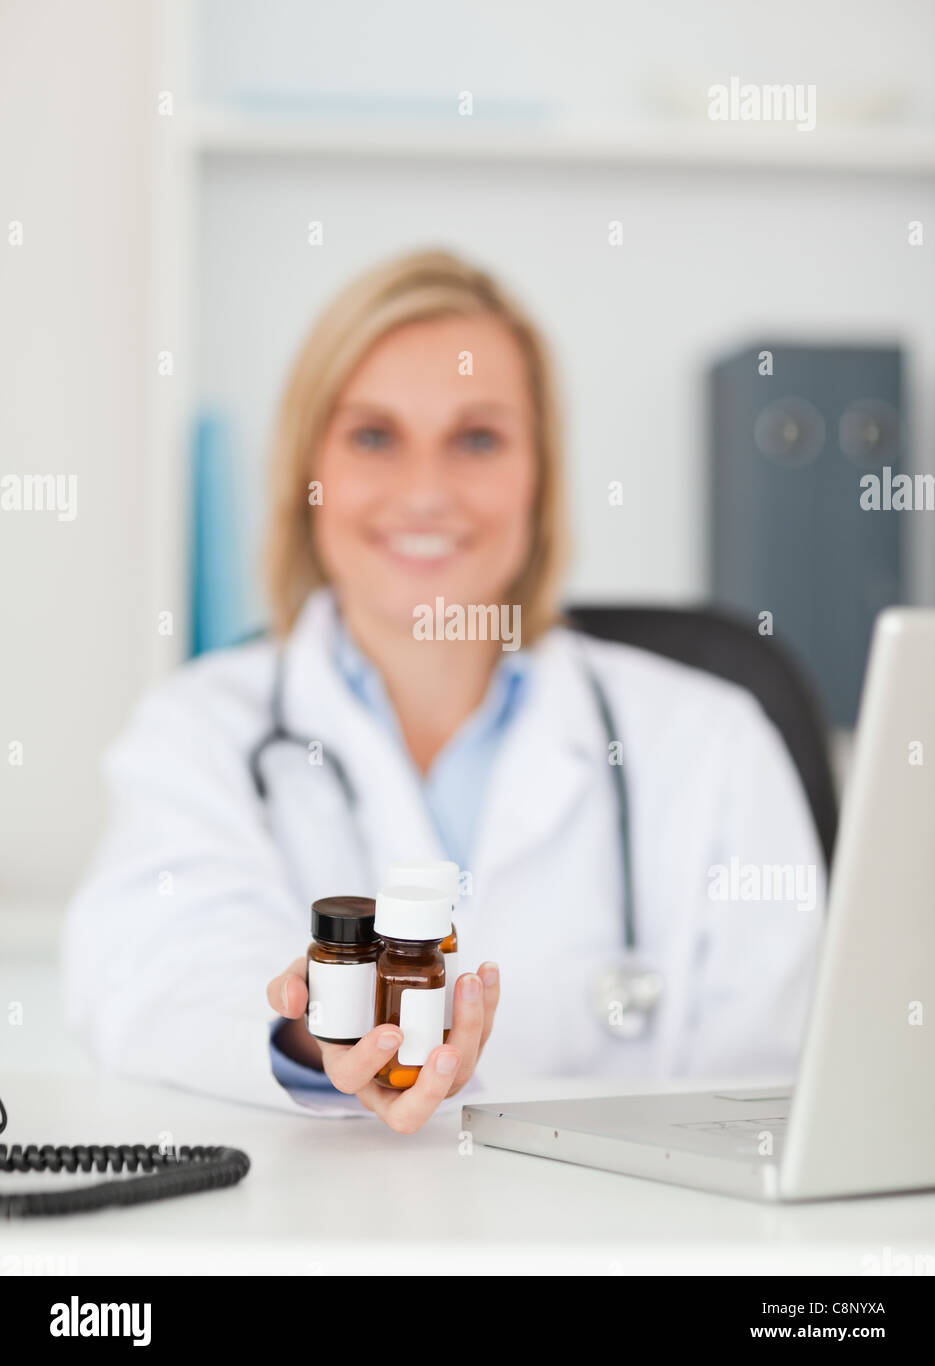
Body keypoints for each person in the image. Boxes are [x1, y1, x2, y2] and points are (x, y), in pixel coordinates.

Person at [62, 249, 825, 1132]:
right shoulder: (199, 731)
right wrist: (317, 1041)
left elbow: (782, 1090)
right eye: (374, 436)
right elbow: (152, 975)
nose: (424, 492)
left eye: (477, 439)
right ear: (308, 476)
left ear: (539, 480)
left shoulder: (711, 739)